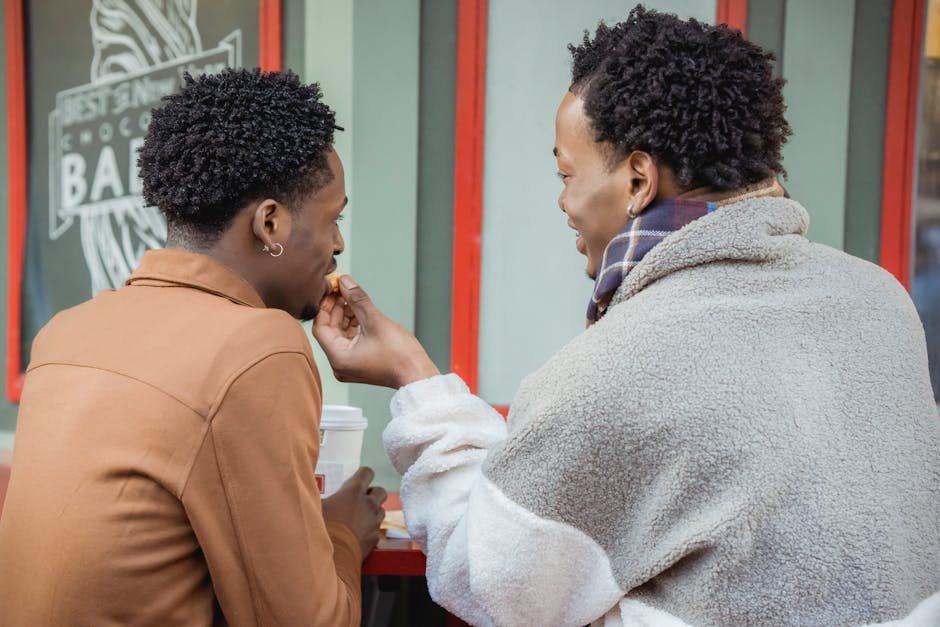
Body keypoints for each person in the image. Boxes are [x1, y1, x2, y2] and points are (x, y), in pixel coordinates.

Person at [313, 7, 940, 627]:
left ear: (639, 179)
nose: (563, 203)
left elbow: (495, 582)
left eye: (565, 173)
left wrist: (416, 382)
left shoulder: (624, 363)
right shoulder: (880, 299)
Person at [0, 69, 385, 626]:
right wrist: (344, 533)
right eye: (335, 218)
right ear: (271, 223)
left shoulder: (66, 330)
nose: (339, 244)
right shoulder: (257, 346)